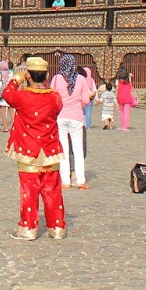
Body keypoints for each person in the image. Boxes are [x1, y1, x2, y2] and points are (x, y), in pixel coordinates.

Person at [3, 56, 66, 240]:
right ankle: (57, 227)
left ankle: (29, 227)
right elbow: (56, 110)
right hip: (50, 150)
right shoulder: (54, 97)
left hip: (28, 149)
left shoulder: (22, 96)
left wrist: (17, 79)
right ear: (47, 75)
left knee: (29, 191)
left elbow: (7, 94)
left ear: (28, 74)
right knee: (52, 191)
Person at [51, 53, 94, 189]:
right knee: (78, 150)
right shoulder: (81, 79)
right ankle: (80, 181)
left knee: (63, 149)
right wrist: (79, 104)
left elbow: (52, 96)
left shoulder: (57, 79)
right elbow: (86, 100)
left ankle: (65, 182)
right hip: (76, 117)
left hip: (61, 117)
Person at [0, 60, 14, 131]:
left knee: (3, 111)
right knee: (11, 110)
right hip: (10, 92)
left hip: (2, 93)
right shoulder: (11, 73)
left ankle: (5, 127)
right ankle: (14, 125)